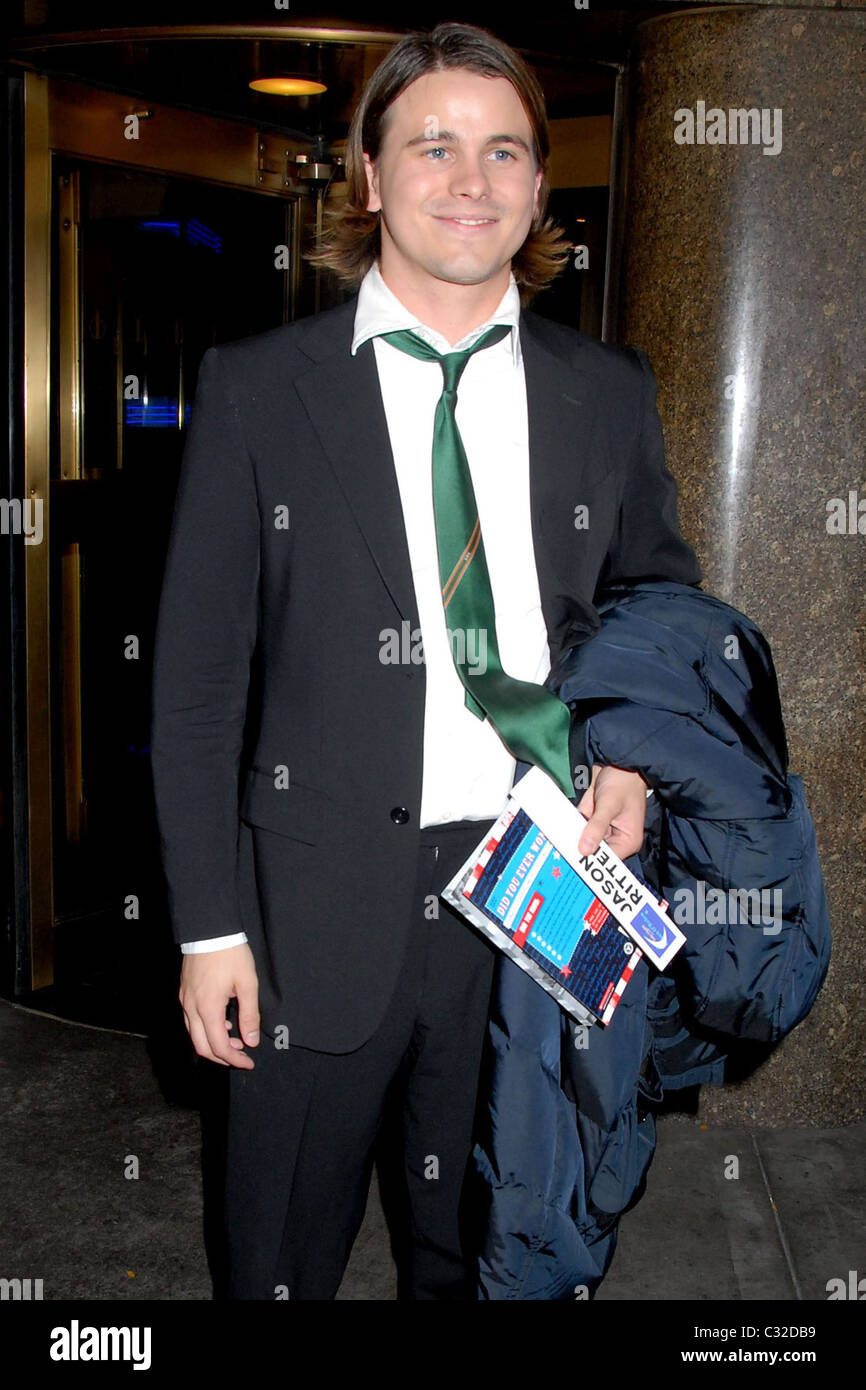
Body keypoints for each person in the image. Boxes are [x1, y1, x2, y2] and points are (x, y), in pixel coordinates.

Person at [150, 21, 702, 1301]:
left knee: (490, 1249)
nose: (471, 178)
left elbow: (651, 603)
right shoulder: (257, 390)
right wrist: (208, 927)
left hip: (537, 885)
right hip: (308, 904)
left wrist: (626, 759)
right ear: (369, 173)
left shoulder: (605, 390)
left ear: (535, 187)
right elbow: (193, 686)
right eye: (434, 144)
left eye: (503, 149)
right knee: (279, 1250)